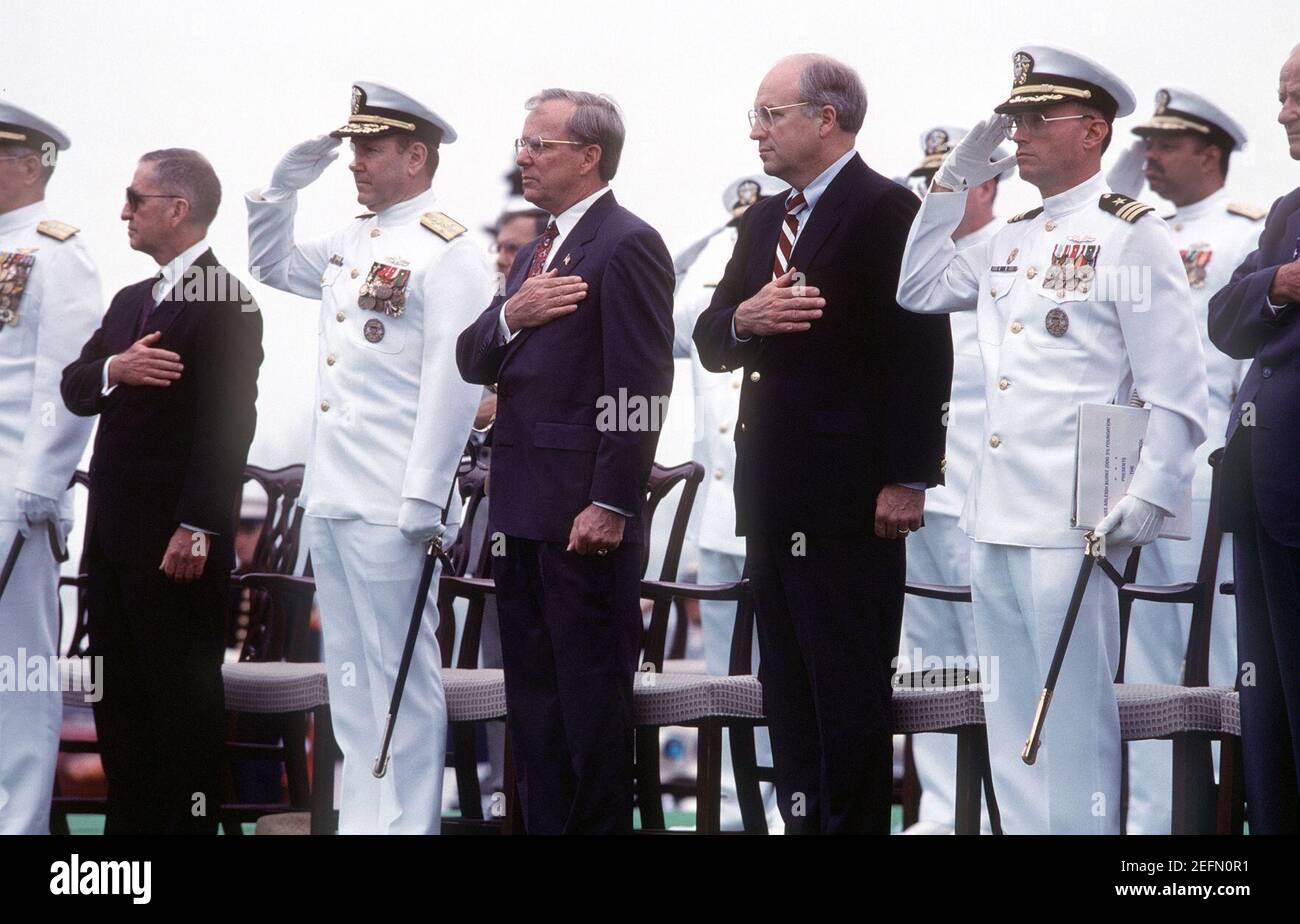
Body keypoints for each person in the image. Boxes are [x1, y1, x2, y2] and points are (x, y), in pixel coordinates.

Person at [897, 44, 1208, 834]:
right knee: (1010, 717)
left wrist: (1149, 493)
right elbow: (919, 284)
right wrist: (956, 177)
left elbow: (1176, 389)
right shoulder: (1012, 235)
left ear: (1094, 132)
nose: (1020, 132)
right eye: (1014, 119)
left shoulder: (1131, 236)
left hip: (1078, 518)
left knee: (1067, 714)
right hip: (995, 511)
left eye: (1038, 118)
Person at [693, 54, 953, 834]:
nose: (756, 131)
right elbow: (710, 337)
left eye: (771, 114)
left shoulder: (886, 210)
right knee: (791, 695)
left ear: (826, 118)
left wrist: (909, 477)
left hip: (851, 502)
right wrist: (748, 319)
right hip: (773, 493)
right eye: (756, 114)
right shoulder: (766, 219)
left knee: (846, 696)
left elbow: (920, 351)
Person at [246, 81, 492, 834]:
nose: (354, 160)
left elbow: (453, 380)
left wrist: (425, 497)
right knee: (353, 680)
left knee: (402, 678)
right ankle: (365, 821)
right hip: (336, 491)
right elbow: (269, 261)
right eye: (352, 146)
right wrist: (278, 188)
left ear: (415, 156)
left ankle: (407, 826)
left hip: (394, 496)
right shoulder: (352, 241)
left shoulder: (449, 248)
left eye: (370, 148)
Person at [456, 88, 674, 834]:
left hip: (583, 518)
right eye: (523, 142)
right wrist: (512, 312)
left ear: (589, 156)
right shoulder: (539, 252)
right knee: (537, 716)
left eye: (539, 145)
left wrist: (613, 499)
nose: (524, 157)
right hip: (520, 510)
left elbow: (640, 384)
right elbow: (469, 356)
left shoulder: (626, 242)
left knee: (590, 714)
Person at [61, 148, 262, 834]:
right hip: (113, 540)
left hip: (176, 545)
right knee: (117, 702)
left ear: (177, 208)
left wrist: (200, 526)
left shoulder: (227, 301)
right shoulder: (129, 302)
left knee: (180, 706)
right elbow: (76, 385)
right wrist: (118, 366)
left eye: (135, 198)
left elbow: (229, 424)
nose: (124, 211)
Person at [1105, 87, 1261, 833]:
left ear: (1211, 153)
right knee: (1145, 653)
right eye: (1146, 144)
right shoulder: (1141, 232)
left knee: (1225, 650)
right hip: (1135, 468)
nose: (1151, 157)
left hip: (1209, 473)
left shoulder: (1239, 239)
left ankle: (1230, 819)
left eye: (1167, 145)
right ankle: (1154, 824)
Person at [897, 124, 1012, 836]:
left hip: (987, 495)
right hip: (920, 495)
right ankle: (943, 812)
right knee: (928, 662)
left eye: (951, 182)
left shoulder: (1009, 254)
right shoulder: (916, 270)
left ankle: (1006, 809)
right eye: (926, 184)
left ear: (990, 186)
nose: (930, 197)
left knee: (994, 662)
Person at [0, 101, 101, 835]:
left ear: (31, 164)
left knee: (16, 675)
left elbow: (67, 383)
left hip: (13, 492)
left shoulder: (55, 252)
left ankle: (19, 824)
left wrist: (42, 482)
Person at [1207, 42, 1300, 835]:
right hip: (1263, 488)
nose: (1283, 113)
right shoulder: (1287, 214)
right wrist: (1278, 283)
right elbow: (1226, 322)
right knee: (1267, 708)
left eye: (1297, 96)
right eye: (1281, 95)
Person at [673, 173, 784, 831]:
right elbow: (674, 318)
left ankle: (779, 803)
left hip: (781, 512)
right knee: (725, 675)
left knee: (785, 673)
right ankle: (729, 804)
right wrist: (715, 242)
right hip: (721, 518)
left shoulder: (797, 275)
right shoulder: (719, 290)